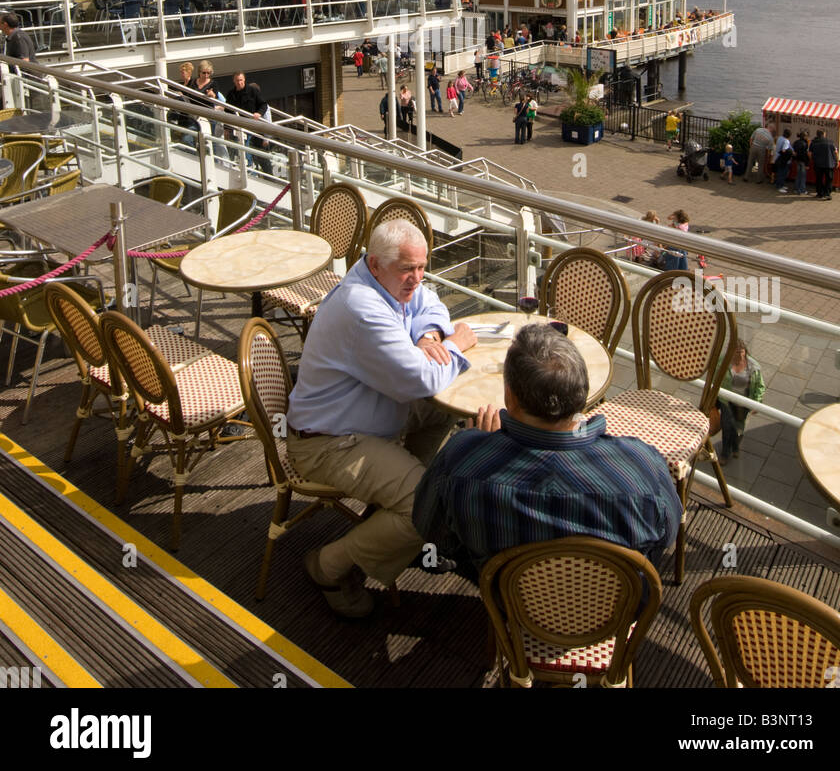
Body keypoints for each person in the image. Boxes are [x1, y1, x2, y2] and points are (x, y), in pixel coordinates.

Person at [286, 220, 477, 616]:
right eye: (409, 269)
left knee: (441, 410)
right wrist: (456, 344)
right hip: (330, 441)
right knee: (426, 503)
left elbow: (430, 301)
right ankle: (328, 566)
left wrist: (429, 336)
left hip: (367, 413)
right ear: (375, 264)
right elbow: (420, 377)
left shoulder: (387, 281)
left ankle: (399, 523)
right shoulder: (361, 307)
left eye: (423, 267)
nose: (417, 278)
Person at [413, 323, 682, 578]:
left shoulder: (461, 461)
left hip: (507, 602)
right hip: (616, 610)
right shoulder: (641, 464)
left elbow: (432, 531)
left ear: (511, 397)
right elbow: (667, 535)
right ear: (582, 392)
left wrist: (481, 447)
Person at [716, 340, 765, 464]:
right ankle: (725, 453)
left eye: (741, 351)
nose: (738, 354)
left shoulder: (753, 366)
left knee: (738, 427)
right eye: (735, 351)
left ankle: (735, 447)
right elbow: (715, 378)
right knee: (727, 427)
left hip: (743, 403)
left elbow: (760, 386)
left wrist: (756, 402)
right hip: (726, 400)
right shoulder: (723, 361)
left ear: (745, 352)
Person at [224, 72, 273, 175]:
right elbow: (227, 112)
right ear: (234, 81)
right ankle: (241, 168)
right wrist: (226, 128)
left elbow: (263, 105)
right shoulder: (231, 94)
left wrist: (258, 113)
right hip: (236, 127)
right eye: (237, 80)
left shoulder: (252, 91)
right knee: (236, 150)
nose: (239, 82)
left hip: (252, 127)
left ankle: (250, 171)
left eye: (241, 80)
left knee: (249, 152)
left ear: (244, 80)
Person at [810, 128, 838, 200]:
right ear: (824, 134)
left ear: (817, 134)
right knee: (829, 179)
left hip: (818, 164)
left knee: (819, 179)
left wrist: (813, 159)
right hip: (829, 163)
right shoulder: (830, 142)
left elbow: (809, 153)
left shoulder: (813, 142)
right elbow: (835, 152)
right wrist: (836, 161)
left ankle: (820, 193)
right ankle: (827, 194)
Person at [773, 128, 794, 193]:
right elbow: (784, 150)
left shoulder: (779, 138)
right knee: (783, 173)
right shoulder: (786, 141)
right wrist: (791, 152)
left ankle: (778, 184)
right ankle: (780, 186)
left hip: (778, 157)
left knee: (779, 172)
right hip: (784, 160)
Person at [792, 130, 810, 196]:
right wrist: (807, 164)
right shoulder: (805, 144)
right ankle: (802, 190)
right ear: (804, 136)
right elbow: (805, 155)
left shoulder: (796, 142)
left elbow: (794, 152)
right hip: (803, 162)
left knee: (798, 175)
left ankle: (796, 189)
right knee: (803, 176)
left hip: (797, 161)